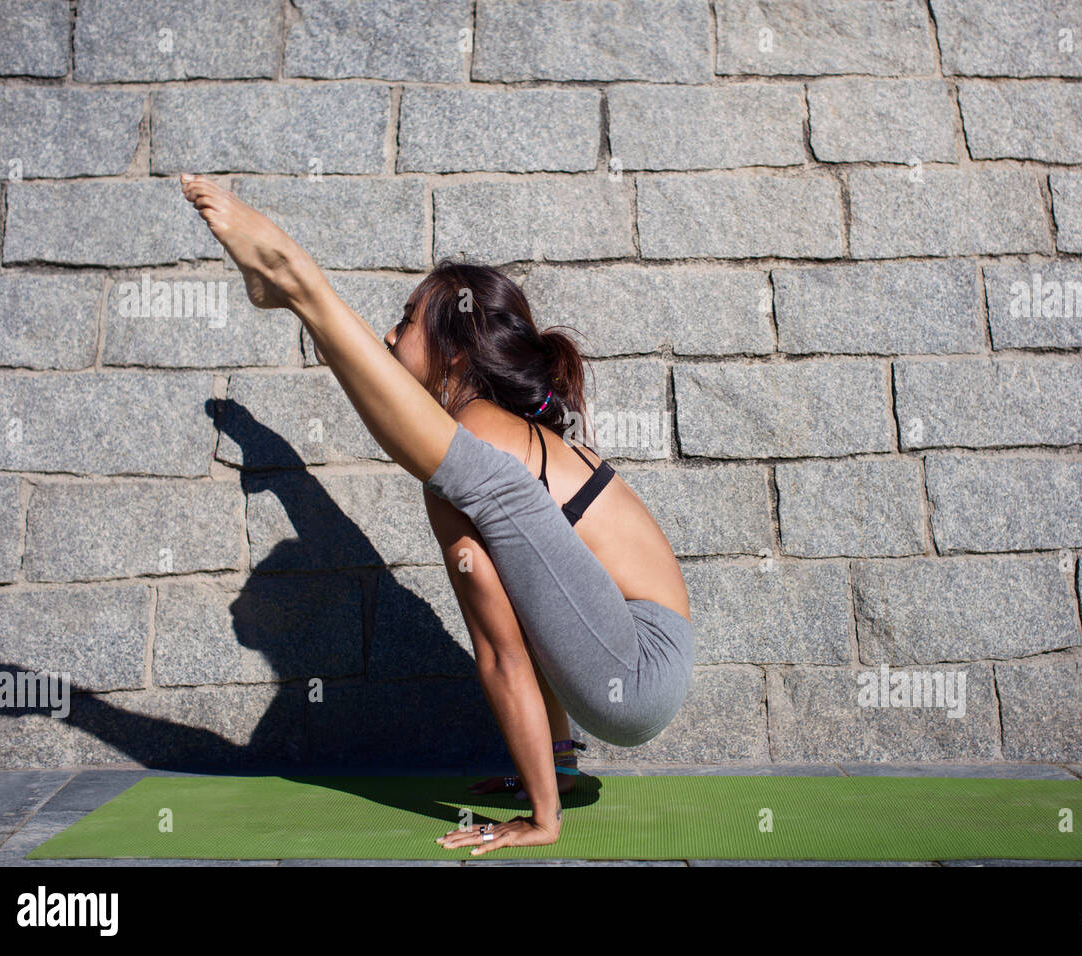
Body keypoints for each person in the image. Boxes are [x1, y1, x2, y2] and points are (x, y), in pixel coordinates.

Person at [178, 174, 695, 856]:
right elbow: (531, 601)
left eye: (404, 319)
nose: (391, 335)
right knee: (485, 537)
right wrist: (557, 761)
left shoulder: (481, 434)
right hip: (639, 662)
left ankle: (297, 281)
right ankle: (562, 760)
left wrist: (543, 818)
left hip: (635, 674)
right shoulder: (502, 439)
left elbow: (500, 652)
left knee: (469, 482)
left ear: (452, 351)